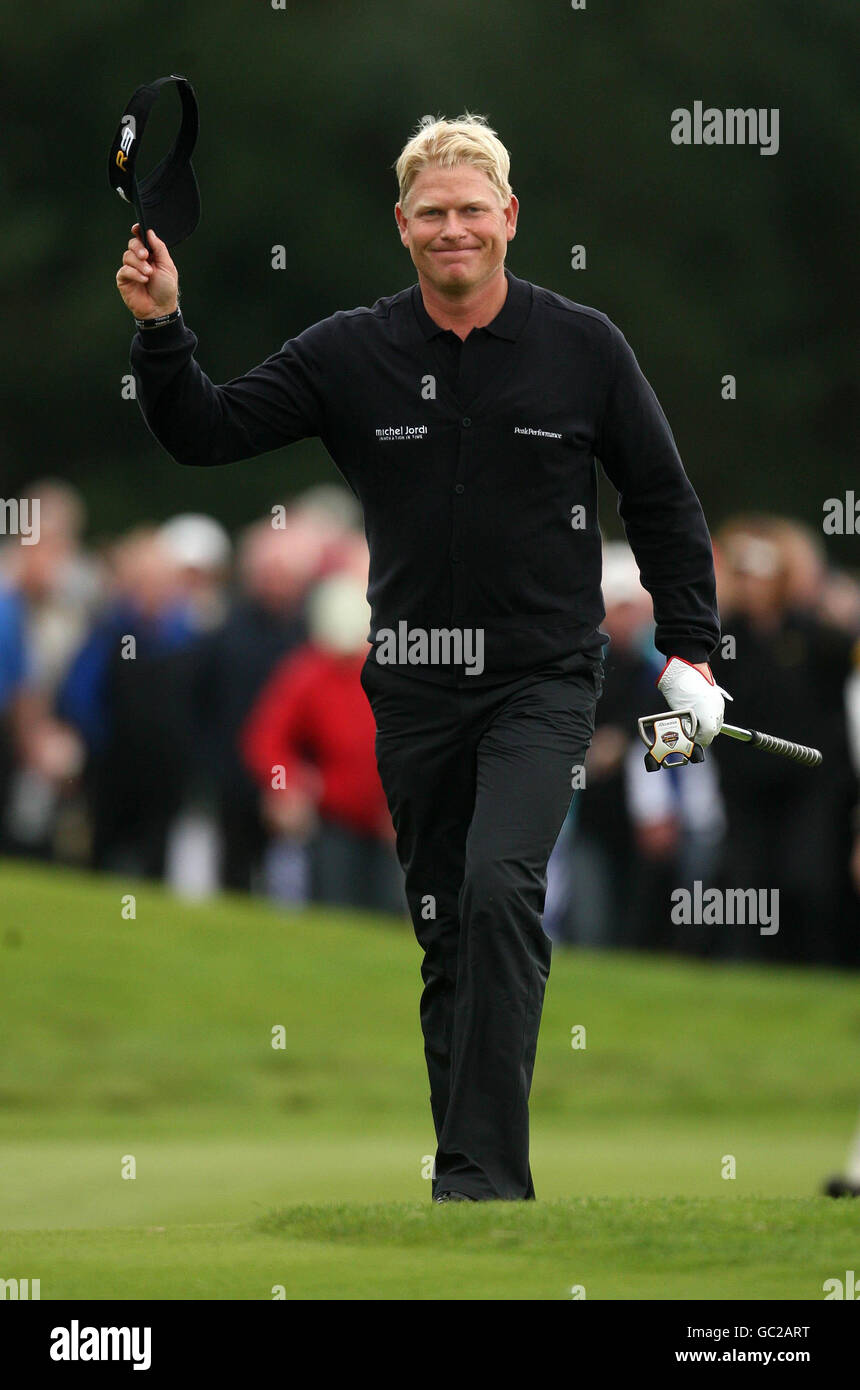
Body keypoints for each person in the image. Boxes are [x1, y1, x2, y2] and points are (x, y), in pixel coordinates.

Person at [115, 112, 724, 1202]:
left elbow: (663, 502)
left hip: (542, 676)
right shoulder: (351, 349)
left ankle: (485, 1175)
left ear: (510, 219)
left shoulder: (582, 346)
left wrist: (693, 649)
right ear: (402, 226)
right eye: (433, 214)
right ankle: (468, 1172)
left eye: (472, 211)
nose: (455, 230)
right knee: (446, 928)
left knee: (499, 890)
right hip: (412, 687)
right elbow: (204, 430)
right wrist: (164, 330)